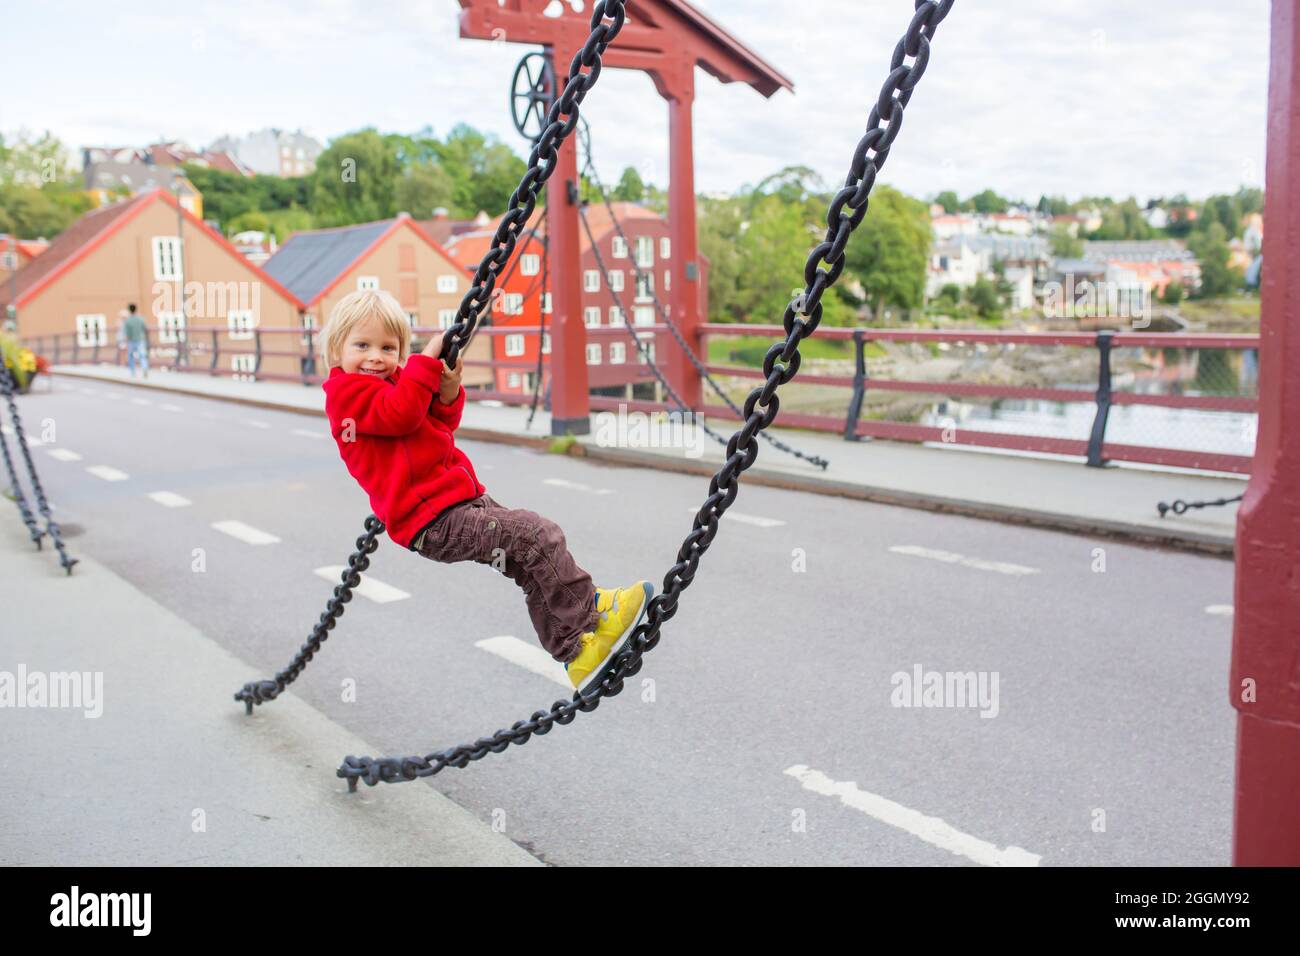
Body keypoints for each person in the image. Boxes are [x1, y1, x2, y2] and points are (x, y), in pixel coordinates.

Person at [319, 289, 652, 692]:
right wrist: (425, 361)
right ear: (337, 351)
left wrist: (447, 394)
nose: (375, 357)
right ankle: (593, 611)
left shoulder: (397, 385)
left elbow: (437, 426)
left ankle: (576, 654)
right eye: (362, 345)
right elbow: (401, 415)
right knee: (535, 533)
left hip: (459, 502)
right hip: (434, 520)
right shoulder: (346, 396)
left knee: (530, 565)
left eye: (388, 347)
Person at [120, 303, 149, 379]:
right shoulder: (140, 319)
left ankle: (133, 371)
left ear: (129, 310)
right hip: (140, 340)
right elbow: (145, 329)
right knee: (142, 356)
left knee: (130, 356)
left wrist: (126, 343)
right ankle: (144, 367)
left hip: (131, 341)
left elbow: (126, 334)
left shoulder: (127, 321)